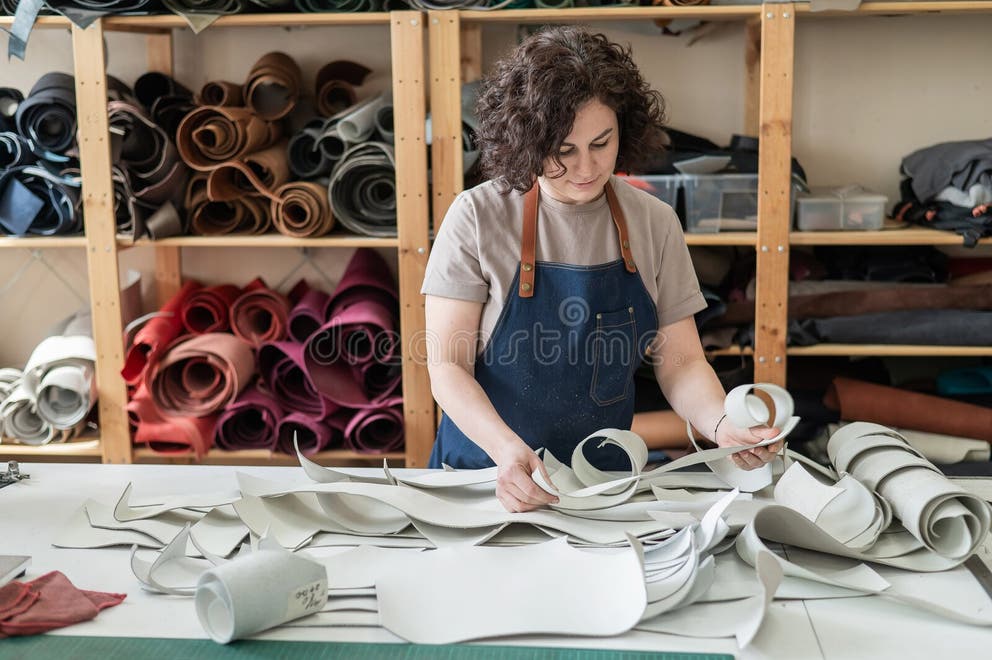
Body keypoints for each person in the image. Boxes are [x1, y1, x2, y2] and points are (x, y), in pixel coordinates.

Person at [421, 26, 781, 513]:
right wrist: (505, 450)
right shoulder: (477, 217)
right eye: (563, 151)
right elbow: (447, 366)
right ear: (527, 142)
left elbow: (682, 363)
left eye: (601, 143)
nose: (586, 168)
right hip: (485, 479)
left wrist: (721, 426)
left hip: (600, 489)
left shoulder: (653, 221)